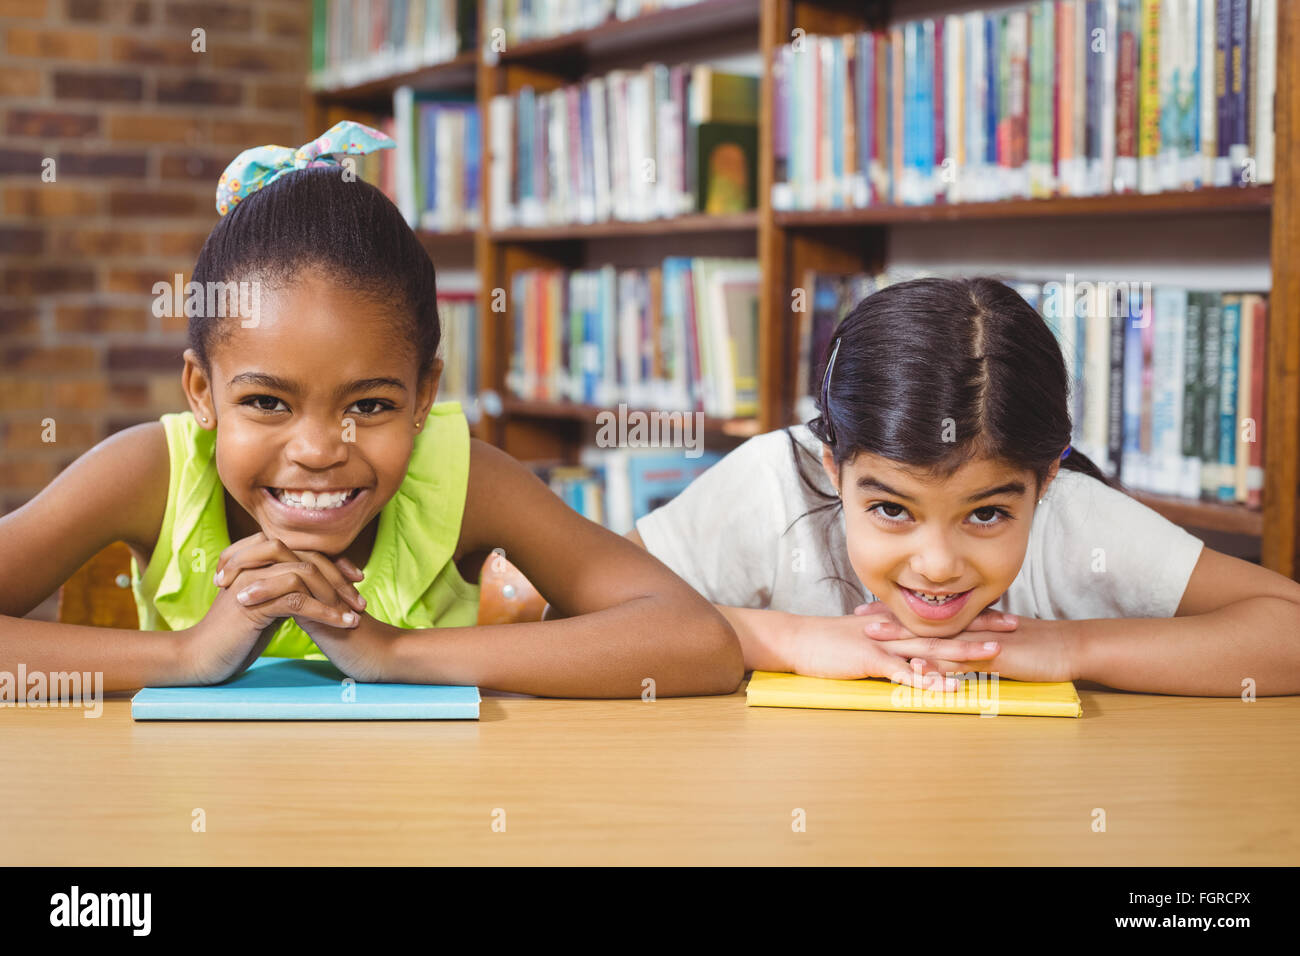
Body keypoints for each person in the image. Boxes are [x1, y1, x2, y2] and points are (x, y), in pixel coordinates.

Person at [0, 122, 743, 699]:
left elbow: (694, 640)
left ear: (424, 397)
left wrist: (391, 651)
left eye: (371, 403)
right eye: (265, 402)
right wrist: (185, 654)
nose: (320, 449)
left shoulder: (464, 480)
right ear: (201, 393)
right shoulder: (150, 474)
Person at [631, 276, 1300, 696]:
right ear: (833, 469)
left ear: (1043, 483)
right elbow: (579, 612)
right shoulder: (774, 483)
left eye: (984, 516)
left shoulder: (1073, 516)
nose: (939, 565)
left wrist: (1073, 647)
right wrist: (785, 640)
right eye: (891, 508)